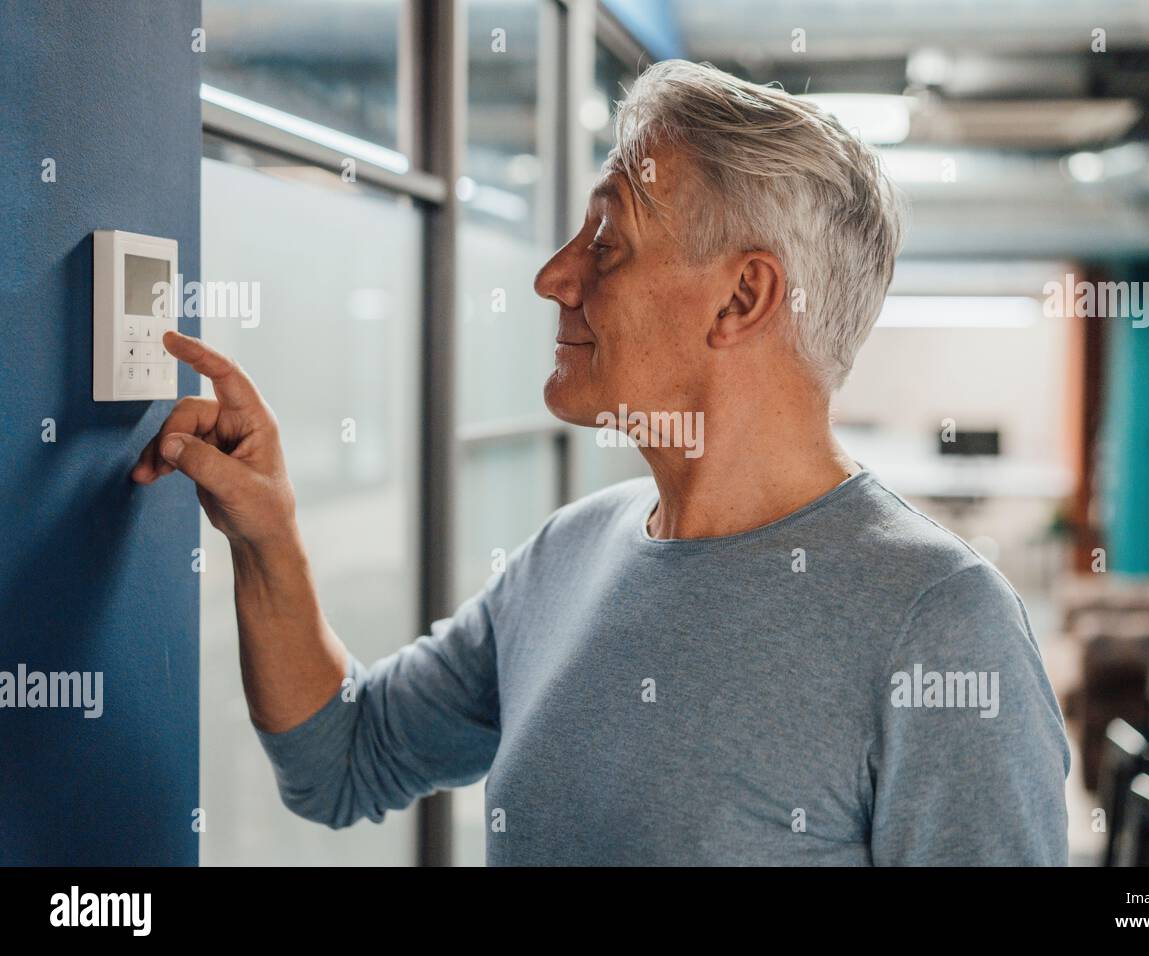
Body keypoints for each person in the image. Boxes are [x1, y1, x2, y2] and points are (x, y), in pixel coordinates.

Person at [133, 60, 1069, 865]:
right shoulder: (570, 552)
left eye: (607, 241)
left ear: (742, 296)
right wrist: (267, 537)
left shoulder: (940, 624)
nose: (554, 276)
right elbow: (341, 759)